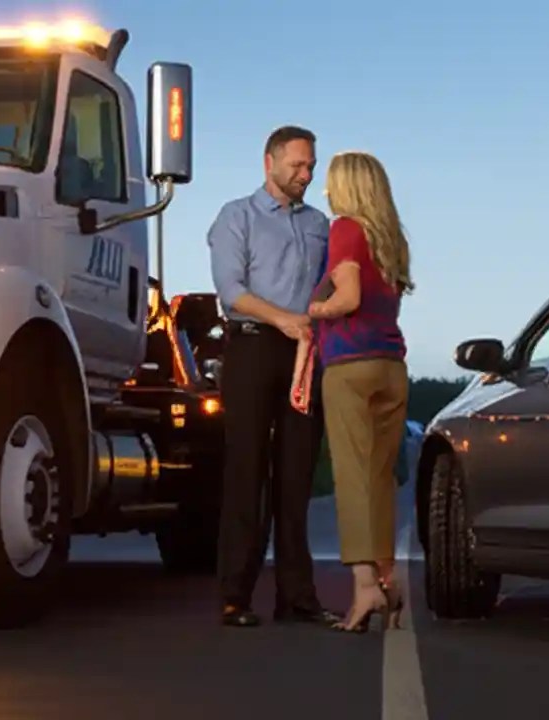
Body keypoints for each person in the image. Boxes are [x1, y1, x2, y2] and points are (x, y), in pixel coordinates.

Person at [207, 125, 340, 627]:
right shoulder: (235, 216)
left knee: (296, 476)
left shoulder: (320, 224)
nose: (305, 175)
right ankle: (234, 596)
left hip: (306, 356)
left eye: (310, 166)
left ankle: (297, 599)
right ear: (269, 162)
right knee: (246, 472)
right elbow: (230, 289)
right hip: (253, 349)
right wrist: (282, 318)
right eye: (297, 165)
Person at [307, 150, 413, 633]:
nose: (326, 192)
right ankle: (390, 579)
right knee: (379, 478)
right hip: (391, 366)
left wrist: (317, 310)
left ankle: (364, 588)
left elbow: (347, 298)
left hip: (350, 365)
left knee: (351, 477)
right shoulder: (391, 239)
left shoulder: (345, 229)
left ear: (346, 187)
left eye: (330, 183)